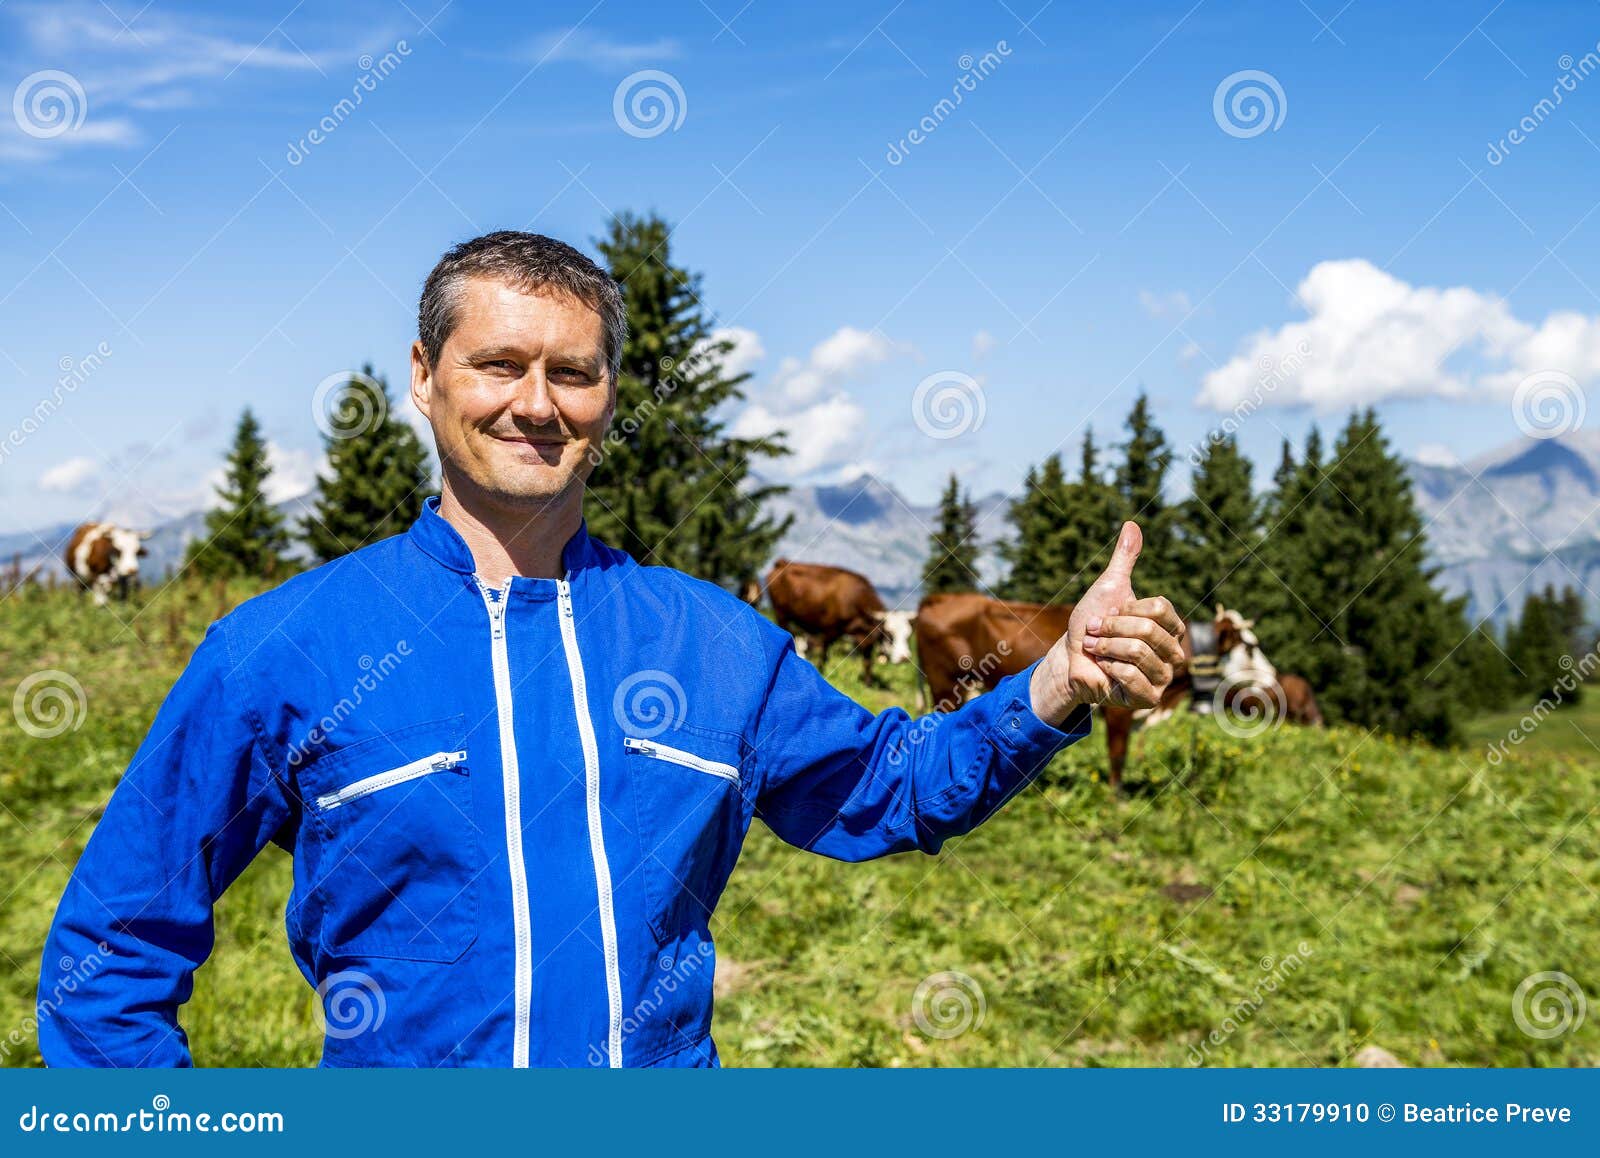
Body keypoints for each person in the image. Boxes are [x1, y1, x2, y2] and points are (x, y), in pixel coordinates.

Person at [38, 231, 1186, 1068]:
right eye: (497, 364)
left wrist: (1052, 681)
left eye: (572, 372)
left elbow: (889, 787)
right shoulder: (283, 648)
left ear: (606, 397)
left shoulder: (712, 642)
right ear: (424, 378)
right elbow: (113, 954)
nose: (535, 403)